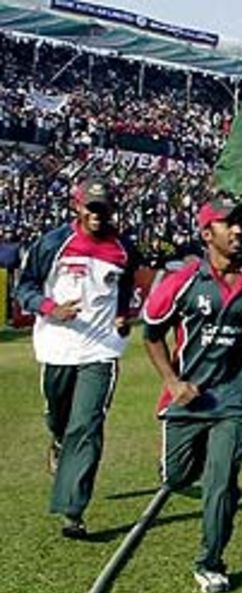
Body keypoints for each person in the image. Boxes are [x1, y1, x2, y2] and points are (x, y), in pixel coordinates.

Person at [142, 198, 242, 593]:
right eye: (228, 224)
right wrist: (172, 383)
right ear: (207, 234)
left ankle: (210, 561)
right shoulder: (183, 280)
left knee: (222, 482)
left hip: (232, 401)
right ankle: (181, 465)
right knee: (177, 476)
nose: (239, 230)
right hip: (188, 399)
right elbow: (151, 333)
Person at [15, 178, 136, 539]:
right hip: (56, 347)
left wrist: (122, 315)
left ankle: (73, 509)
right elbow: (25, 288)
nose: (98, 215)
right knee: (60, 417)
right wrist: (50, 307)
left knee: (87, 426)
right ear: (77, 207)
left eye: (104, 209)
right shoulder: (52, 243)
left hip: (101, 349)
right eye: (91, 208)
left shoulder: (124, 248)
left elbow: (126, 285)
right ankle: (56, 439)